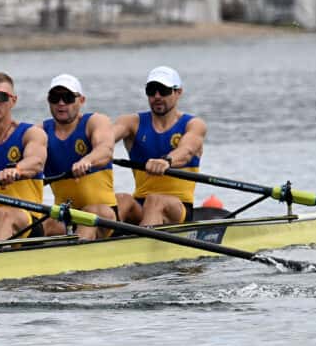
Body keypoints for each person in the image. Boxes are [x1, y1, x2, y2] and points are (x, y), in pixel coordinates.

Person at [115, 66, 207, 226]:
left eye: (163, 90)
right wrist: (94, 154)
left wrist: (167, 161)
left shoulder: (193, 124)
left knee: (155, 200)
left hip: (178, 208)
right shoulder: (131, 123)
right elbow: (105, 139)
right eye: (151, 90)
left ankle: (139, 245)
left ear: (178, 92)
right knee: (121, 199)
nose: (157, 96)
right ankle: (89, 244)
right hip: (140, 205)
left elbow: (186, 151)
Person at [39, 74, 118, 240]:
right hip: (64, 215)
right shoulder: (40, 132)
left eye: (67, 98)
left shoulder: (95, 122)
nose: (61, 103)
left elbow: (105, 150)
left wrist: (87, 161)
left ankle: (77, 257)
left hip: (102, 212)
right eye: (55, 98)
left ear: (81, 100)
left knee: (90, 212)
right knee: (39, 224)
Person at [0, 71, 48, 241]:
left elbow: (36, 162)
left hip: (28, 221)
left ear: (13, 100)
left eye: (2, 97)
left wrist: (17, 169)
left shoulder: (31, 133)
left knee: (4, 213)